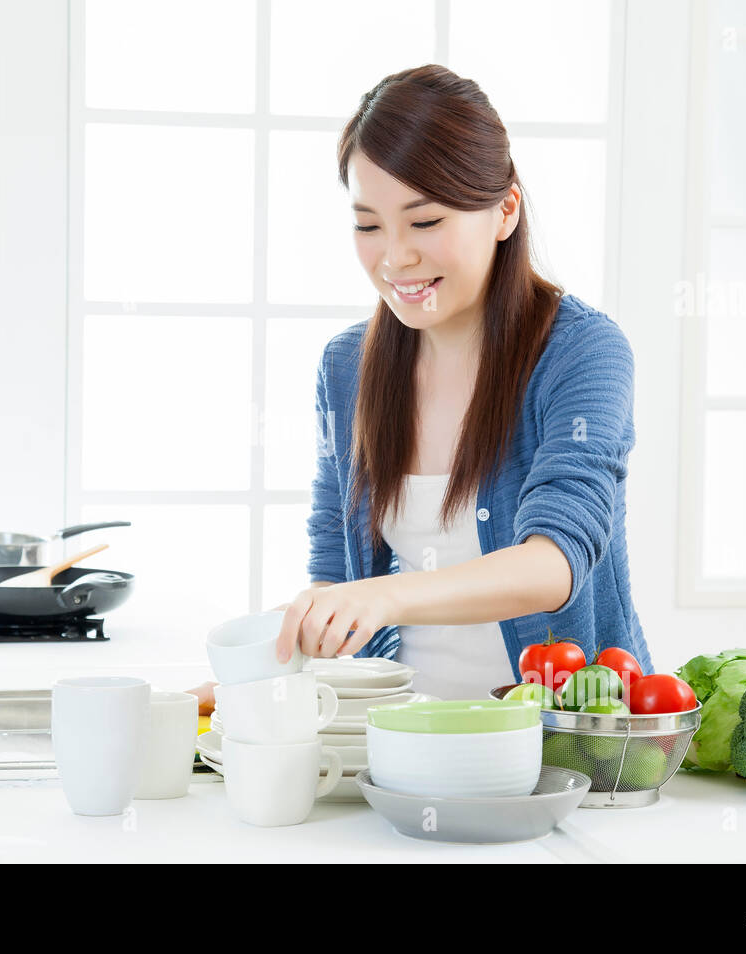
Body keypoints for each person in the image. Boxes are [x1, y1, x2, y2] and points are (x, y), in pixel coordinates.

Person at [272, 64, 653, 700]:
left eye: (424, 223)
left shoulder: (582, 351)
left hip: (564, 747)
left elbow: (554, 562)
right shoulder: (345, 368)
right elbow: (334, 573)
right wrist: (272, 672)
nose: (395, 257)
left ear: (505, 211)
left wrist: (386, 596)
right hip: (397, 744)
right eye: (368, 225)